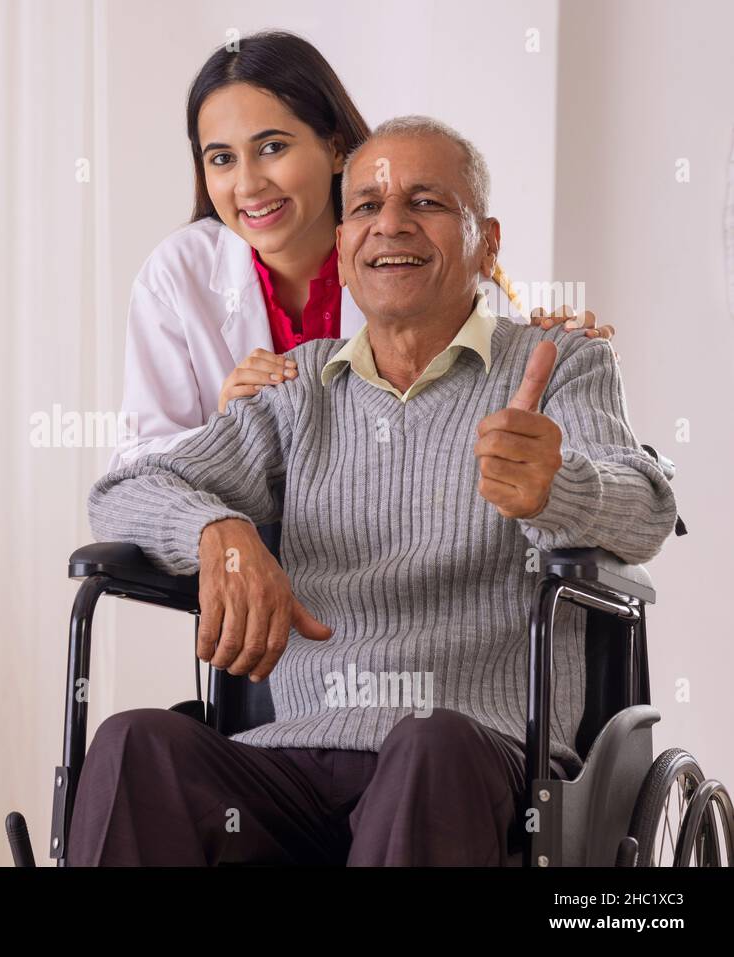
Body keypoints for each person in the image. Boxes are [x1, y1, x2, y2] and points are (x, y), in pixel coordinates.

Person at [68, 116, 677, 866]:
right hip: (295, 755)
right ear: (344, 248)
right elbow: (124, 489)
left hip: (474, 754)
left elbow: (647, 507)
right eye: (364, 206)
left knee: (428, 741)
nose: (391, 222)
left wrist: (561, 489)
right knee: (137, 743)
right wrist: (217, 531)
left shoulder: (559, 364)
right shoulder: (297, 390)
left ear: (486, 242)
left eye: (425, 202)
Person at [112, 30, 615, 472]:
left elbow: (498, 405)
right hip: (246, 550)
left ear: (335, 149)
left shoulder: (415, 253)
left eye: (272, 148)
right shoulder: (177, 273)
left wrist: (554, 349)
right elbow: (132, 466)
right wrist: (226, 427)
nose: (248, 184)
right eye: (222, 158)